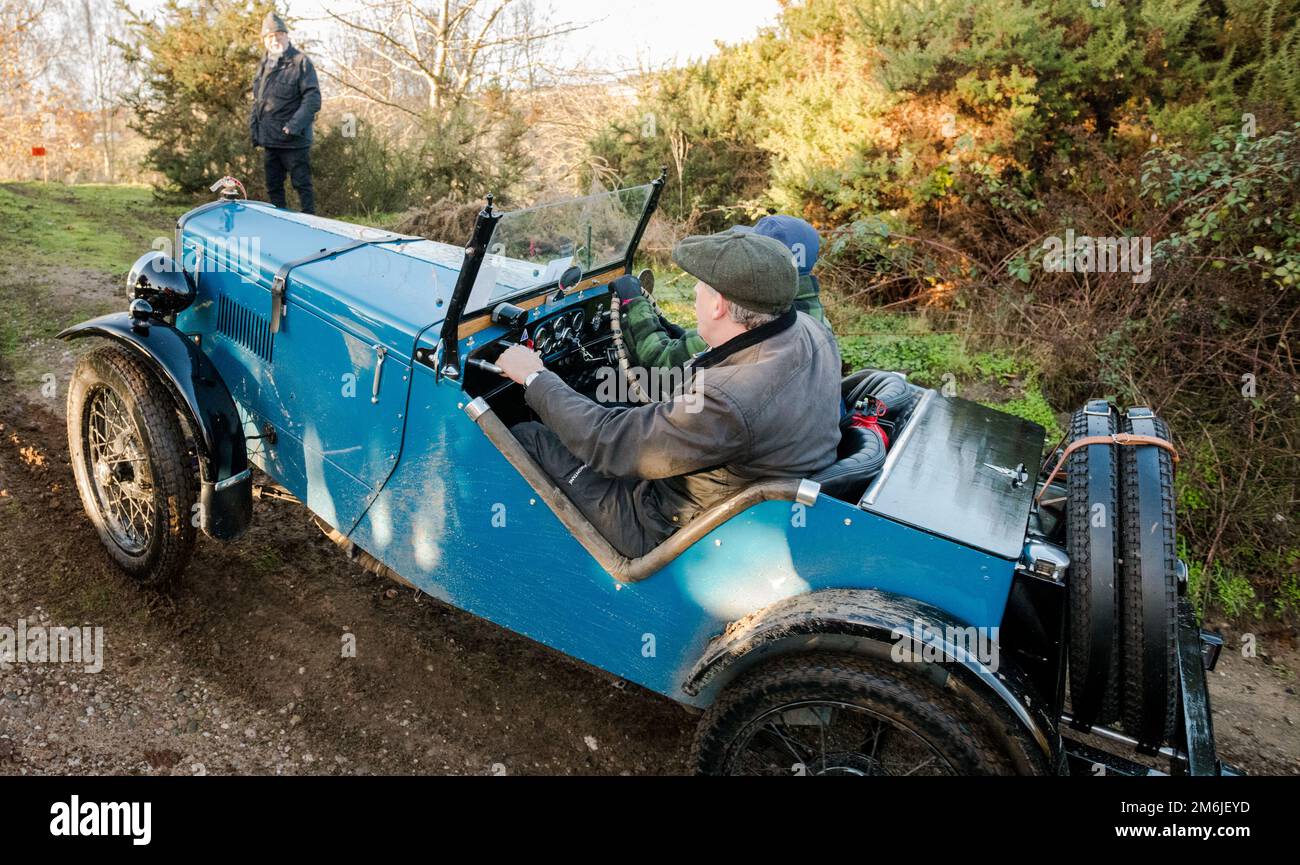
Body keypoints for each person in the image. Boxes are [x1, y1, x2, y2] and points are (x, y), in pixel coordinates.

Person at [497, 230, 842, 559]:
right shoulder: (809, 331)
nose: (695, 292)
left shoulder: (728, 399)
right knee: (608, 401)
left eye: (700, 286)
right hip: (739, 491)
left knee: (527, 437)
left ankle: (520, 561)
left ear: (719, 305)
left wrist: (534, 376)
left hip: (659, 525)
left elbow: (608, 441)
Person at [618, 214, 830, 369]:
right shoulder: (815, 321)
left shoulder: (755, 317)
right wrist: (672, 329)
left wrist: (632, 301)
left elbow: (661, 361)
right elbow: (697, 346)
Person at [250, 11, 321, 214]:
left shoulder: (301, 62)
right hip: (270, 141)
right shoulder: (264, 64)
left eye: (279, 34)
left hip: (294, 141)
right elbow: (257, 101)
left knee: (302, 186)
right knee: (273, 189)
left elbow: (313, 99)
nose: (275, 40)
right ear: (265, 40)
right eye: (270, 36)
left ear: (287, 35)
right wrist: (255, 132)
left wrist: (293, 126)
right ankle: (279, 226)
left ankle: (312, 226)